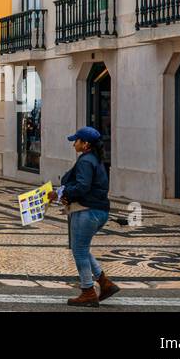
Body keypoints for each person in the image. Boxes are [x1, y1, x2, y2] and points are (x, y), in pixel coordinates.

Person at [50, 126, 118, 307]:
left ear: (85, 144)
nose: (74, 144)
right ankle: (105, 284)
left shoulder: (86, 161)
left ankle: (88, 291)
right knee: (82, 249)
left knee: (79, 251)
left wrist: (61, 195)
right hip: (98, 211)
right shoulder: (95, 160)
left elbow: (82, 186)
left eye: (76, 140)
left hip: (87, 211)